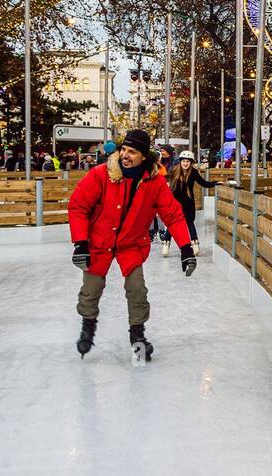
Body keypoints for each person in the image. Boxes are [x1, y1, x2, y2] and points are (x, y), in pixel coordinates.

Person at [68, 129, 196, 361]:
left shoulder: (154, 182)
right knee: (91, 289)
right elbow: (78, 207)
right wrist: (80, 243)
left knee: (137, 291)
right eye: (124, 150)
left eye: (133, 152)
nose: (126, 155)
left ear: (143, 156)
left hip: (131, 244)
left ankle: (138, 336)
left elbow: (174, 215)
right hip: (98, 242)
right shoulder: (101, 174)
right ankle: (88, 328)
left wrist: (186, 248)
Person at [167, 150, 217, 252]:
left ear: (191, 163)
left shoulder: (193, 172)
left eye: (188, 162)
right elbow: (167, 184)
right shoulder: (173, 171)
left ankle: (194, 243)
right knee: (174, 223)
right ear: (180, 161)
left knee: (190, 222)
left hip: (188, 202)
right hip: (175, 202)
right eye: (184, 161)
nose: (185, 163)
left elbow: (204, 183)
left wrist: (216, 183)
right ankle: (166, 242)